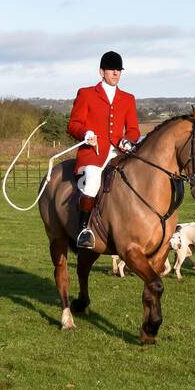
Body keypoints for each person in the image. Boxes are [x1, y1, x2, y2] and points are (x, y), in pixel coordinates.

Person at [67, 51, 140, 249]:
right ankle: (84, 229)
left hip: (119, 152)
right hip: (93, 153)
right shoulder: (87, 93)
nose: (116, 73)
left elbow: (133, 129)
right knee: (92, 182)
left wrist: (127, 140)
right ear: (102, 72)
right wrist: (85, 133)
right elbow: (73, 124)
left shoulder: (128, 98)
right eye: (111, 70)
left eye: (118, 70)